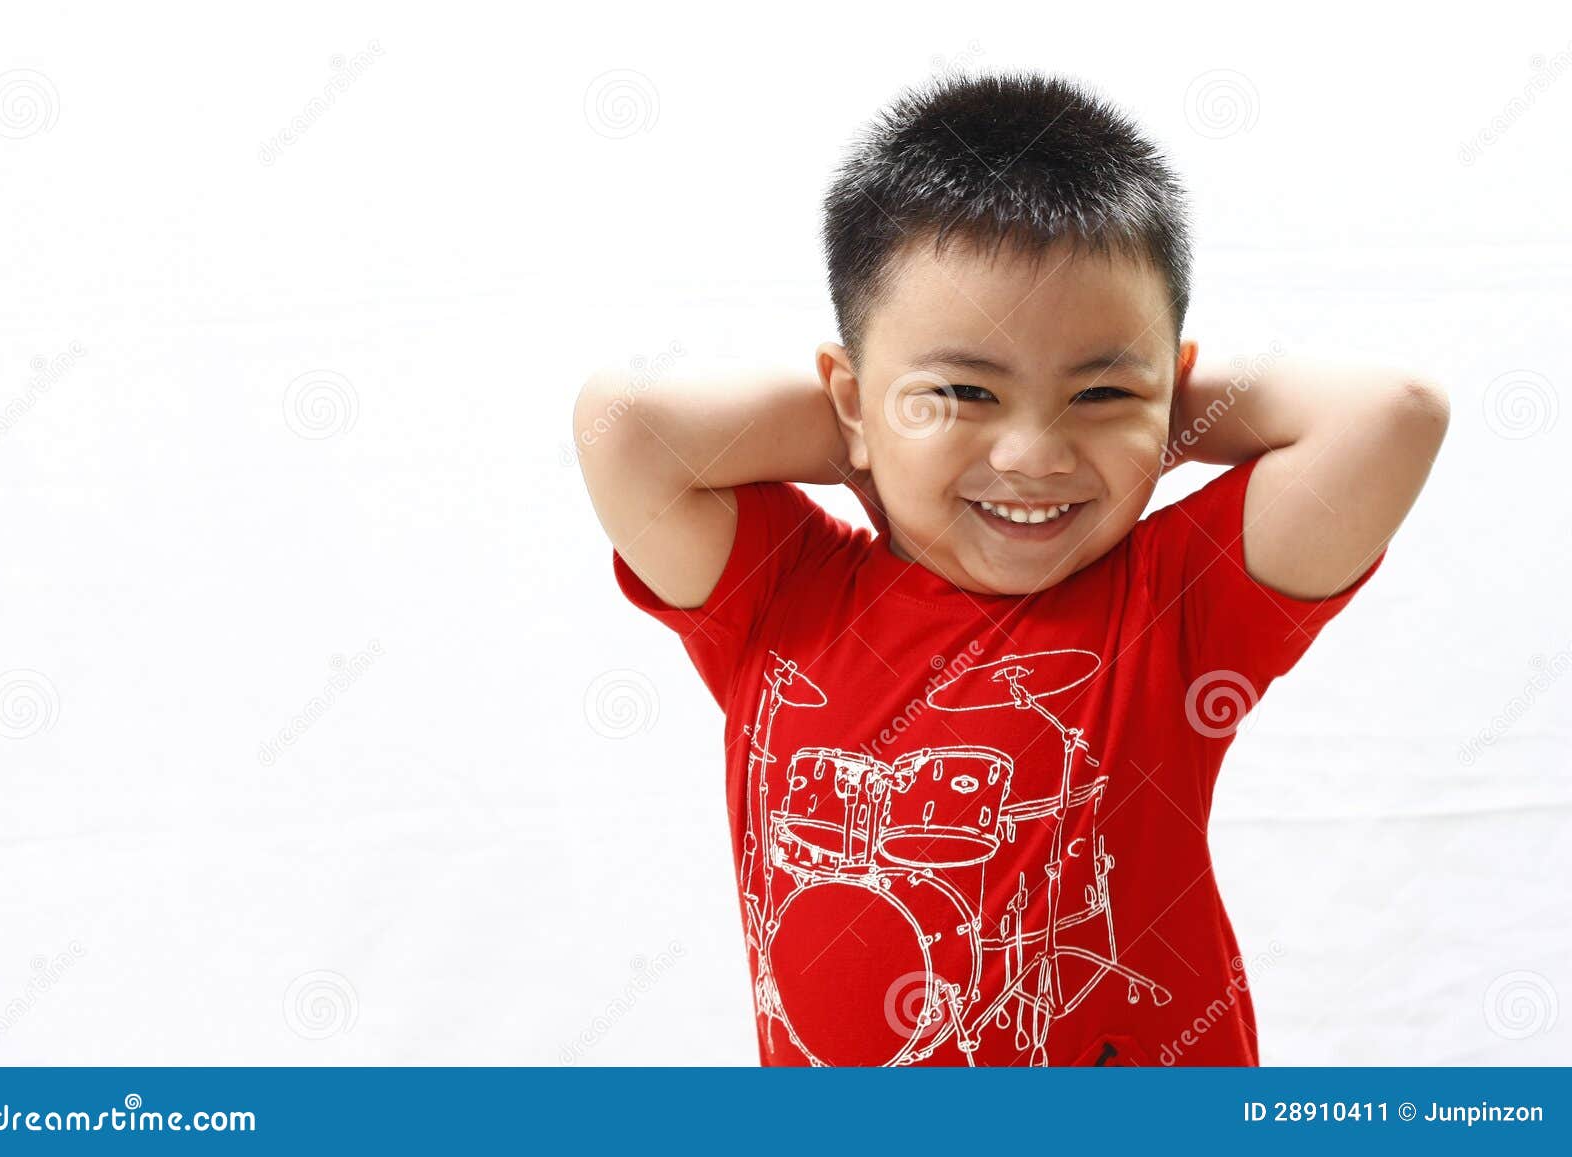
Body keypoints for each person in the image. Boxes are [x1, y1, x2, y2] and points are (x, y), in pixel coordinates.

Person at [572, 70, 1449, 1066]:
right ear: (850, 399)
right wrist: (868, 439)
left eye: (1099, 394)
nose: (1033, 455)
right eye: (962, 392)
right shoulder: (779, 592)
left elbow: (1394, 415)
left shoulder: (1174, 604)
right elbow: (623, 424)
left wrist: (1151, 409)